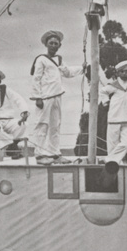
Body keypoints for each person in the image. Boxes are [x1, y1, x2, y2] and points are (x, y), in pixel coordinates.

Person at [30, 30, 85, 165]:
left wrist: (82, 69)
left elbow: (67, 72)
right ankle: (40, 155)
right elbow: (36, 78)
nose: (53, 45)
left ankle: (55, 154)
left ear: (59, 45)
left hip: (57, 96)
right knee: (42, 125)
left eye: (56, 43)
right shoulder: (41, 59)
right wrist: (37, 97)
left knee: (55, 126)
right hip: (45, 97)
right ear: (46, 45)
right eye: (51, 43)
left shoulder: (59, 59)